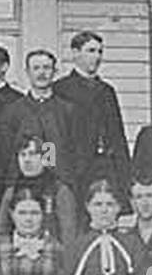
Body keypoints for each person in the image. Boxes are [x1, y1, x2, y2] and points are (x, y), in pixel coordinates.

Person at [0, 50, 87, 207]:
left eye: (46, 68)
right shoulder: (13, 111)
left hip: (60, 190)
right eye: (36, 68)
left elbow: (78, 152)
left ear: (55, 72)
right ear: (27, 72)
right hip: (21, 189)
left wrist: (67, 181)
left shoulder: (68, 111)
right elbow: (6, 153)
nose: (41, 73)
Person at [53, 31, 130, 202]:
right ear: (75, 53)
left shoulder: (107, 91)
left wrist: (125, 174)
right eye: (91, 51)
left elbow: (118, 136)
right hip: (74, 171)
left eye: (100, 52)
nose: (97, 57)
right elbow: (51, 135)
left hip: (106, 168)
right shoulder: (61, 89)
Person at [0, 134, 78, 247]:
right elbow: (1, 231)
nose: (27, 160)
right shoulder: (11, 192)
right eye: (22, 155)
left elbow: (68, 235)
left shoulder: (60, 191)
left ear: (44, 157)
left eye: (32, 154)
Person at [117, 171, 152, 261]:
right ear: (132, 202)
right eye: (139, 197)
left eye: (149, 196)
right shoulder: (122, 231)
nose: (145, 203)